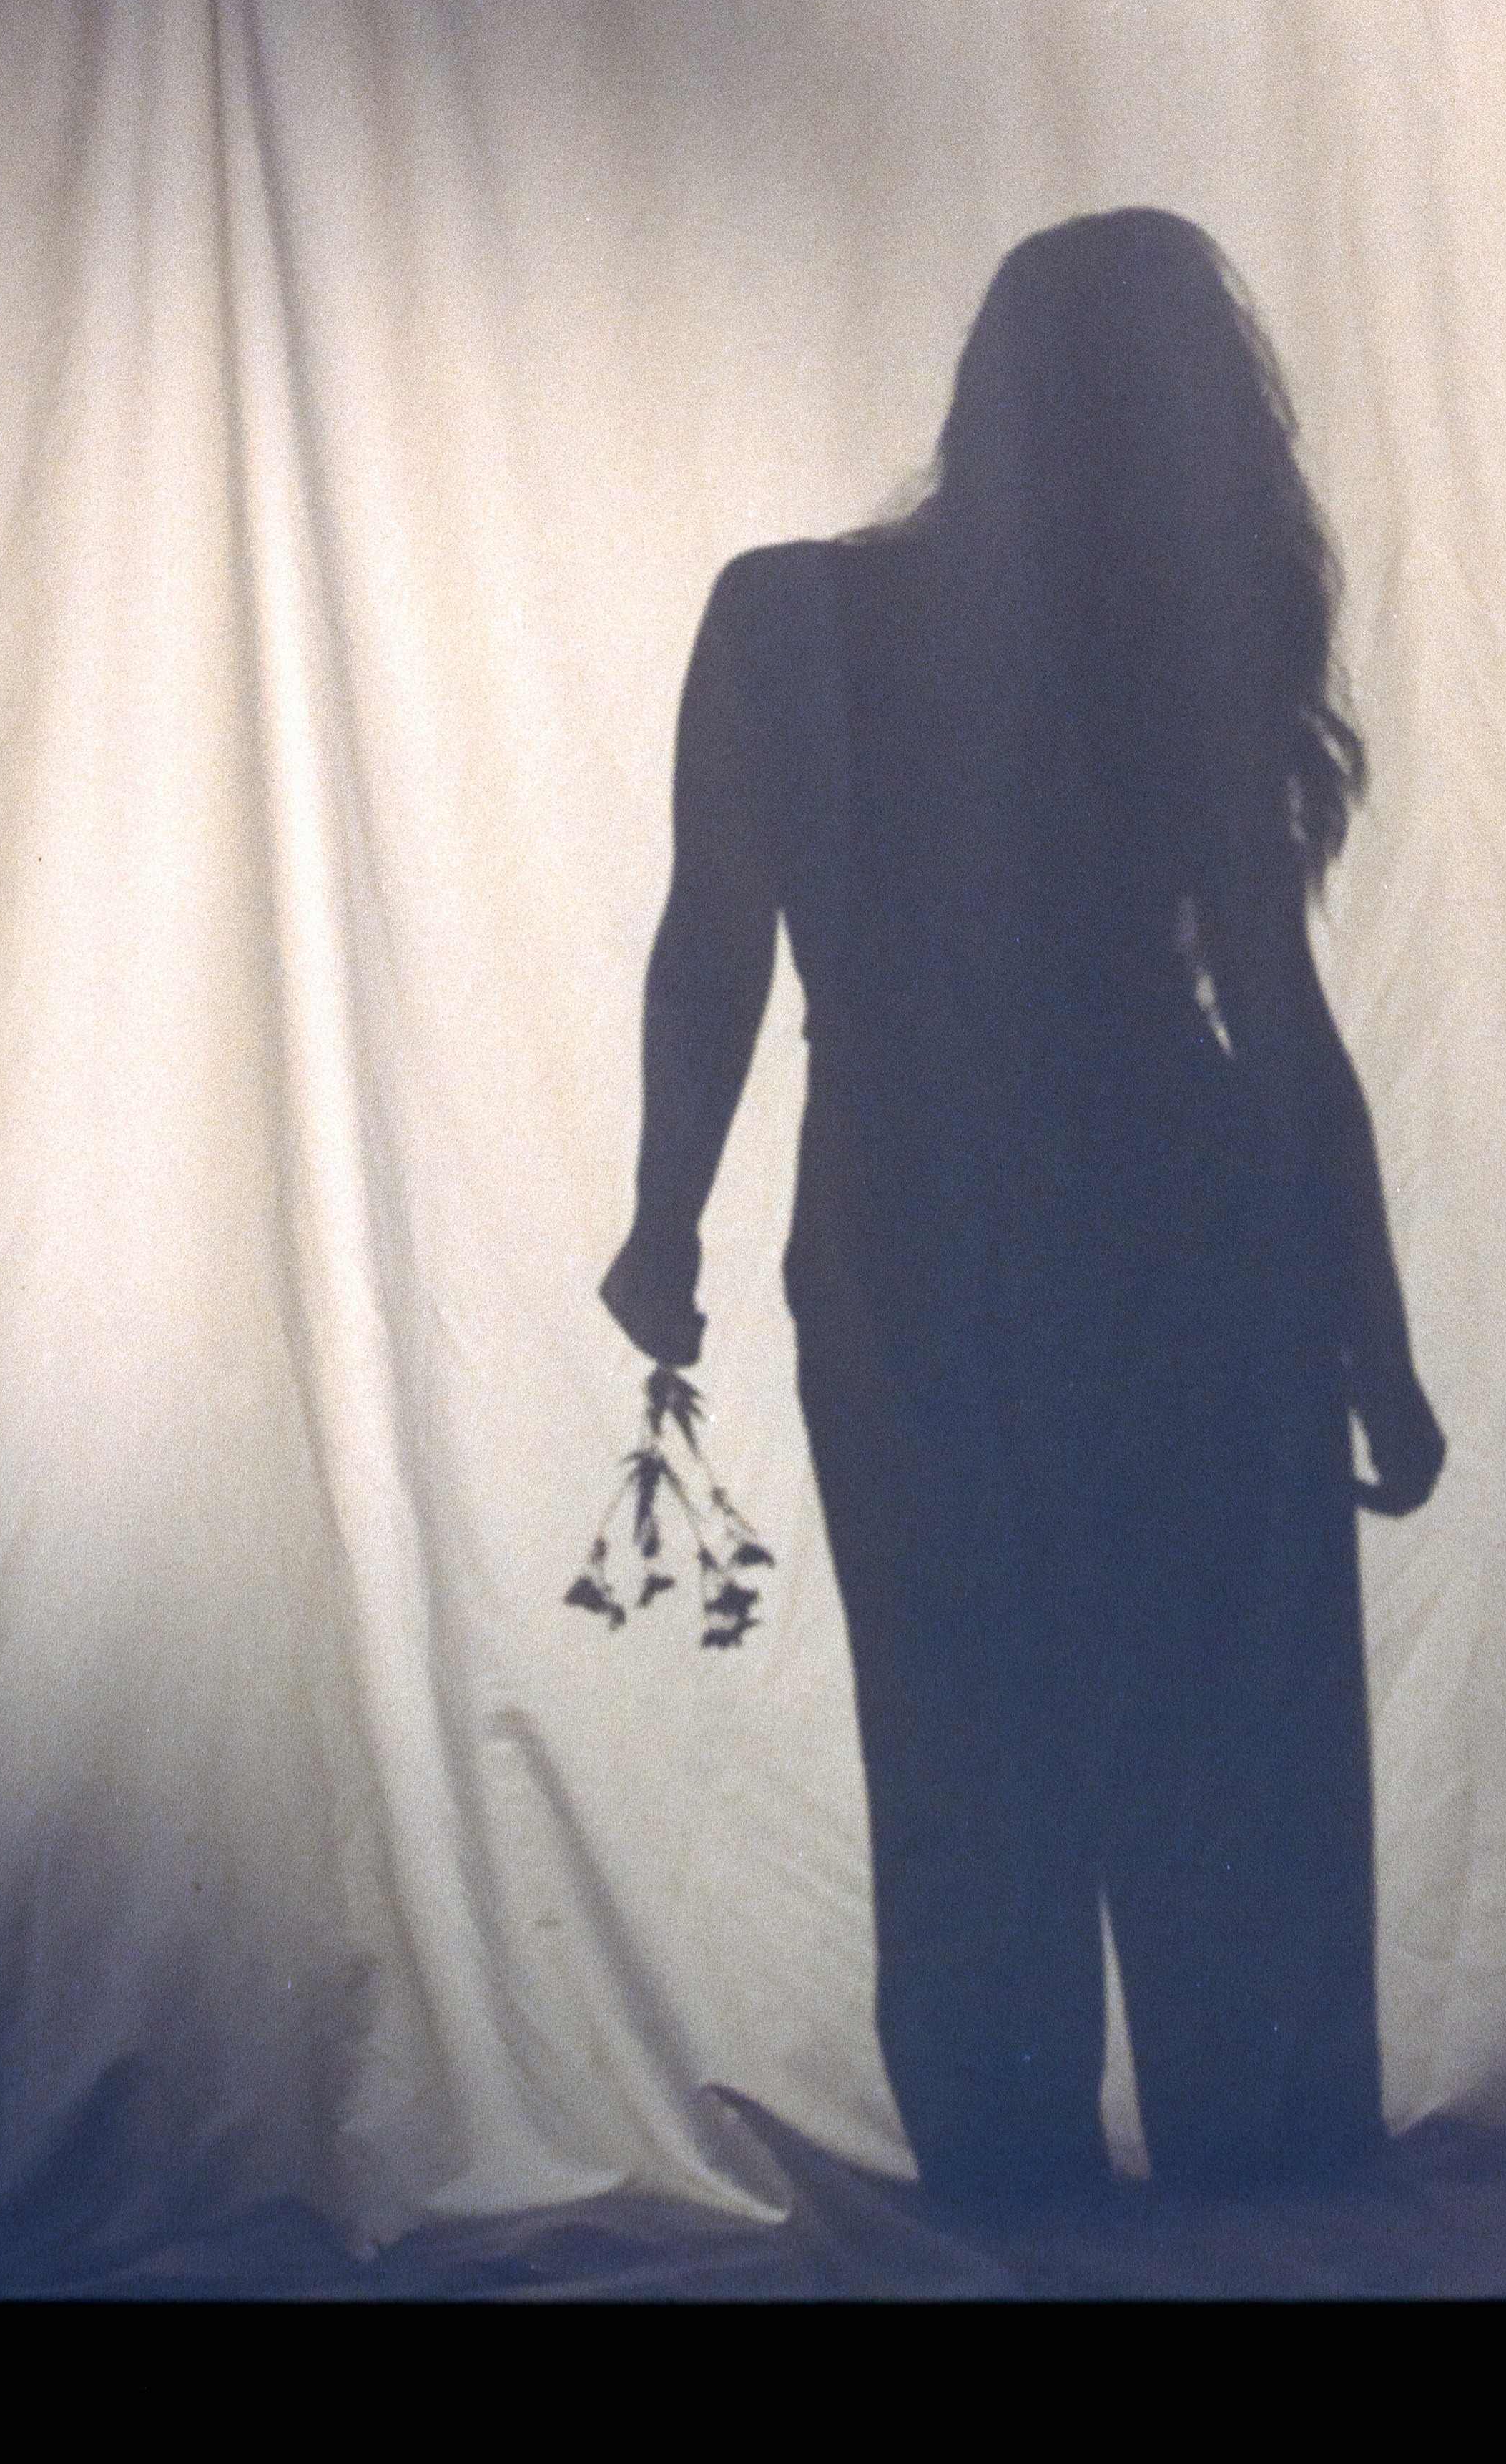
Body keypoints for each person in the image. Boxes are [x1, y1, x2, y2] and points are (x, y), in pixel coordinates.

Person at [600, 208, 1447, 2209]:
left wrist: (667, 1221)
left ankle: (1020, 2199)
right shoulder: (1172, 652)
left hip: (915, 1239)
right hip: (1181, 1236)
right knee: (1224, 1760)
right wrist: (1376, 1348)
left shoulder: (787, 621)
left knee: (967, 1739)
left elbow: (709, 948)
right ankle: (1262, 2194)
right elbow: (1282, 1025)